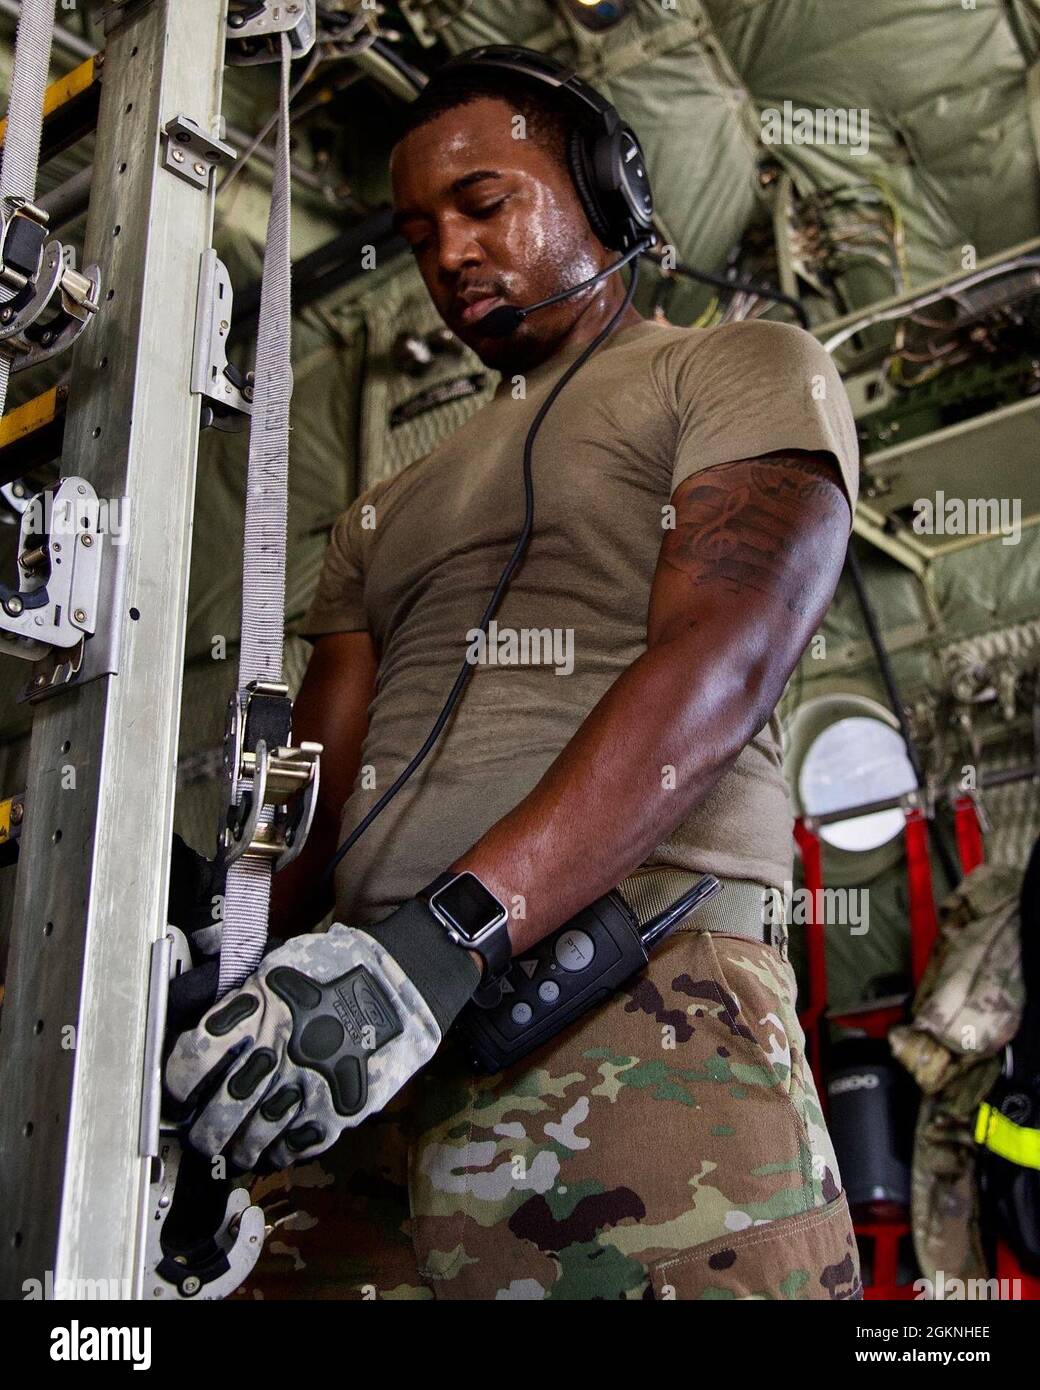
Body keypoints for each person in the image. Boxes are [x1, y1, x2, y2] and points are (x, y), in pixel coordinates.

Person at [167, 47, 863, 1300]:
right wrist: (201, 966)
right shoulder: (377, 514)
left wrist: (450, 935)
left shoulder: (736, 368)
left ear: (606, 195)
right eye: (419, 232)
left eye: (485, 206)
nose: (448, 254)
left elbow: (729, 649)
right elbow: (315, 791)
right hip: (359, 1045)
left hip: (639, 1011)